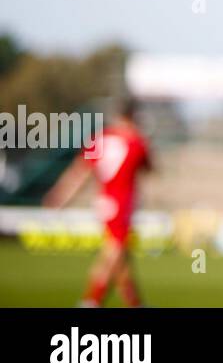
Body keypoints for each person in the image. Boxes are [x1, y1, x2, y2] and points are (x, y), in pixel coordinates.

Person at [44, 97, 153, 308]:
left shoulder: (100, 139)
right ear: (133, 116)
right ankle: (91, 301)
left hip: (104, 202)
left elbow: (79, 172)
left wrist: (60, 194)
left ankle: (135, 304)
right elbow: (150, 169)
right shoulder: (136, 141)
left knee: (119, 256)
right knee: (113, 255)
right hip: (122, 204)